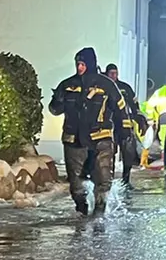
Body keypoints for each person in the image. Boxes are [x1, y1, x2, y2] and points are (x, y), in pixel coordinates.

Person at [49, 47, 125, 216]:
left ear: (90, 64)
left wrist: (125, 132)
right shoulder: (68, 85)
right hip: (73, 139)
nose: (80, 67)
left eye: (83, 64)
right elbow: (54, 109)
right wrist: (58, 101)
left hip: (101, 138)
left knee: (103, 177)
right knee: (76, 184)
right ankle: (81, 209)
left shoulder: (106, 85)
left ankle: (100, 212)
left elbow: (120, 109)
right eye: (78, 64)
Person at [103, 63, 149, 182]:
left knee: (128, 153)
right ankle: (109, 179)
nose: (114, 76)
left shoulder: (125, 88)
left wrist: (139, 119)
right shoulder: (102, 87)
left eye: (115, 73)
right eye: (111, 73)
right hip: (108, 126)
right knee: (109, 154)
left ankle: (126, 179)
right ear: (107, 74)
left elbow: (134, 106)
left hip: (124, 125)